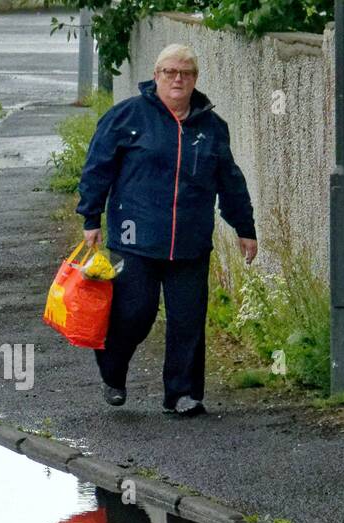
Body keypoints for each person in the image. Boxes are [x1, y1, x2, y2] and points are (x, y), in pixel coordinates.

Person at [76, 43, 258, 415]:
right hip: (135, 236)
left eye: (186, 73)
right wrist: (90, 217)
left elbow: (230, 179)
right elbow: (98, 167)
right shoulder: (128, 116)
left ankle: (182, 394)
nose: (178, 79)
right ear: (156, 76)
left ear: (195, 79)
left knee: (187, 319)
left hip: (190, 240)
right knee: (135, 312)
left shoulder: (211, 127)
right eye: (170, 72)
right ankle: (112, 370)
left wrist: (244, 226)